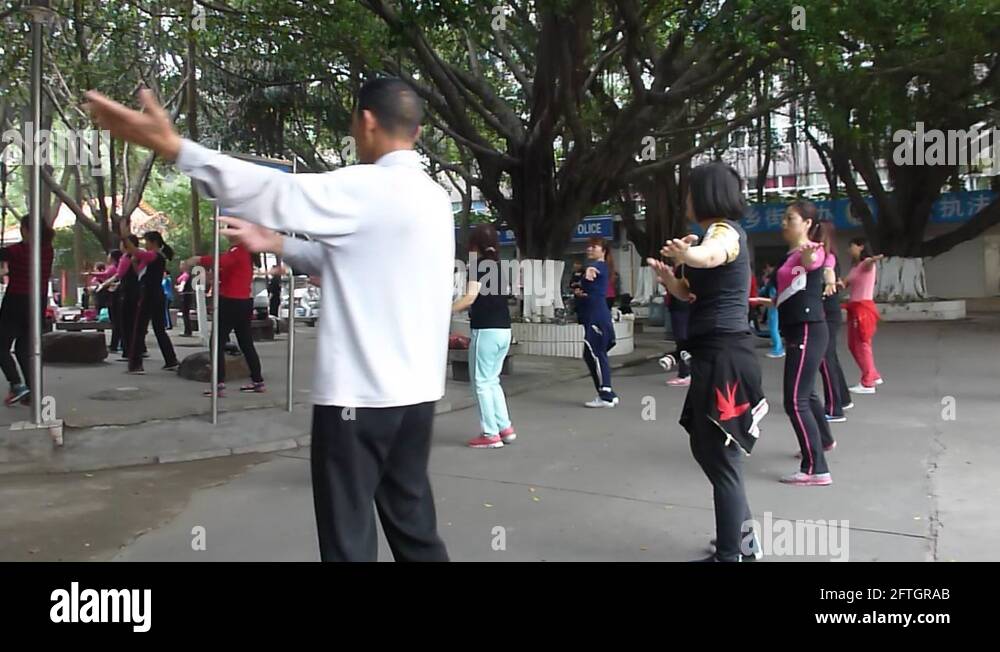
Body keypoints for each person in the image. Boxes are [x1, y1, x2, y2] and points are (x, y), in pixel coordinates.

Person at [86, 78, 452, 562]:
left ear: (365, 121)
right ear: (419, 130)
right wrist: (279, 244)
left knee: (348, 539)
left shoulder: (369, 187)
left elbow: (275, 191)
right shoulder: (434, 200)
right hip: (416, 399)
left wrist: (173, 146)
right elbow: (353, 263)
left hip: (358, 401)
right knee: (415, 530)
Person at [647, 162, 768, 562]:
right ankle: (740, 542)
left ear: (706, 194)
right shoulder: (709, 235)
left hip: (724, 357)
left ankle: (735, 553)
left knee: (720, 454)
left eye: (689, 192)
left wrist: (690, 254)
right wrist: (671, 279)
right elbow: (690, 292)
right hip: (714, 354)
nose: (685, 200)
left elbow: (713, 256)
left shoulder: (723, 232)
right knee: (711, 449)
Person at [770, 201, 835, 486]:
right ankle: (824, 441)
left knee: (794, 399)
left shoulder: (811, 250)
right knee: (806, 395)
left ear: (807, 223)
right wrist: (772, 302)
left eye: (790, 218)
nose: (784, 223)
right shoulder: (790, 254)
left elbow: (813, 264)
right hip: (799, 328)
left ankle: (815, 469)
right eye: (784, 218)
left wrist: (809, 256)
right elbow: (793, 288)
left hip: (808, 328)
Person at [451, 224, 515, 449]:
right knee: (492, 381)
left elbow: (470, 298)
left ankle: (490, 434)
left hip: (486, 330)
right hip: (504, 330)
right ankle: (504, 428)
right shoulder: (499, 267)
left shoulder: (478, 266)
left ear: (474, 244)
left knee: (481, 383)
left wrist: (446, 310)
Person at [186, 240, 266, 396]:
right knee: (246, 342)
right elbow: (231, 270)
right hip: (244, 302)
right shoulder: (246, 252)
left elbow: (222, 260)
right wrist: (215, 275)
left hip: (231, 301)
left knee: (216, 342)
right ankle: (258, 381)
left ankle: (218, 384)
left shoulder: (238, 250)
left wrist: (198, 259)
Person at [0, 215, 55, 406]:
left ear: (25, 229)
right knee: (24, 348)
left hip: (16, 301)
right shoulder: (48, 250)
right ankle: (31, 391)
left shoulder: (18, 250)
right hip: (37, 302)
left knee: (1, 346)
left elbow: (6, 254)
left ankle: (16, 384)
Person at [120, 228, 180, 374]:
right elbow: (139, 272)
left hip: (149, 295)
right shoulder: (154, 258)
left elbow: (136, 251)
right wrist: (134, 262)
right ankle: (171, 360)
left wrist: (124, 235)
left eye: (146, 241)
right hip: (155, 295)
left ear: (153, 243)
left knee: (139, 329)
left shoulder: (154, 255)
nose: (145, 244)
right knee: (159, 329)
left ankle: (135, 364)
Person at [812, 221, 852, 422]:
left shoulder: (826, 258)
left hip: (826, 313)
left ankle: (834, 408)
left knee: (825, 359)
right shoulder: (828, 257)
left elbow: (827, 280)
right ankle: (843, 399)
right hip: (829, 312)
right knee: (830, 358)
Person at [577, 237, 619, 408]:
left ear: (603, 250)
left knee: (596, 353)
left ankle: (606, 394)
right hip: (595, 313)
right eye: (589, 247)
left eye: (594, 247)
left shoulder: (598, 266)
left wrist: (589, 273)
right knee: (591, 354)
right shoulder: (602, 267)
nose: (590, 249)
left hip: (597, 315)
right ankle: (607, 392)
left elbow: (594, 271)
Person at [841, 237, 884, 394]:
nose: (849, 250)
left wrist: (873, 259)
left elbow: (869, 263)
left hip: (863, 309)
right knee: (854, 345)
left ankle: (868, 382)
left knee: (862, 344)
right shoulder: (855, 267)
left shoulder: (866, 265)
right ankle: (873, 374)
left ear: (860, 247)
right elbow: (844, 283)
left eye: (851, 246)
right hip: (854, 309)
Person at [658, 260, 691, 387]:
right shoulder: (681, 267)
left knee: (682, 340)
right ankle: (685, 372)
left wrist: (666, 280)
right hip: (679, 307)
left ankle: (685, 373)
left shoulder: (683, 268)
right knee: (682, 340)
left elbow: (680, 287)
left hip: (681, 307)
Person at [175, 261, 194, 336]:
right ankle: (188, 330)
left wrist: (177, 288)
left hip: (185, 295)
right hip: (186, 295)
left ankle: (188, 331)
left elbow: (182, 286)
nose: (180, 267)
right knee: (185, 313)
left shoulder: (185, 275)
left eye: (181, 265)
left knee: (185, 314)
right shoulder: (185, 275)